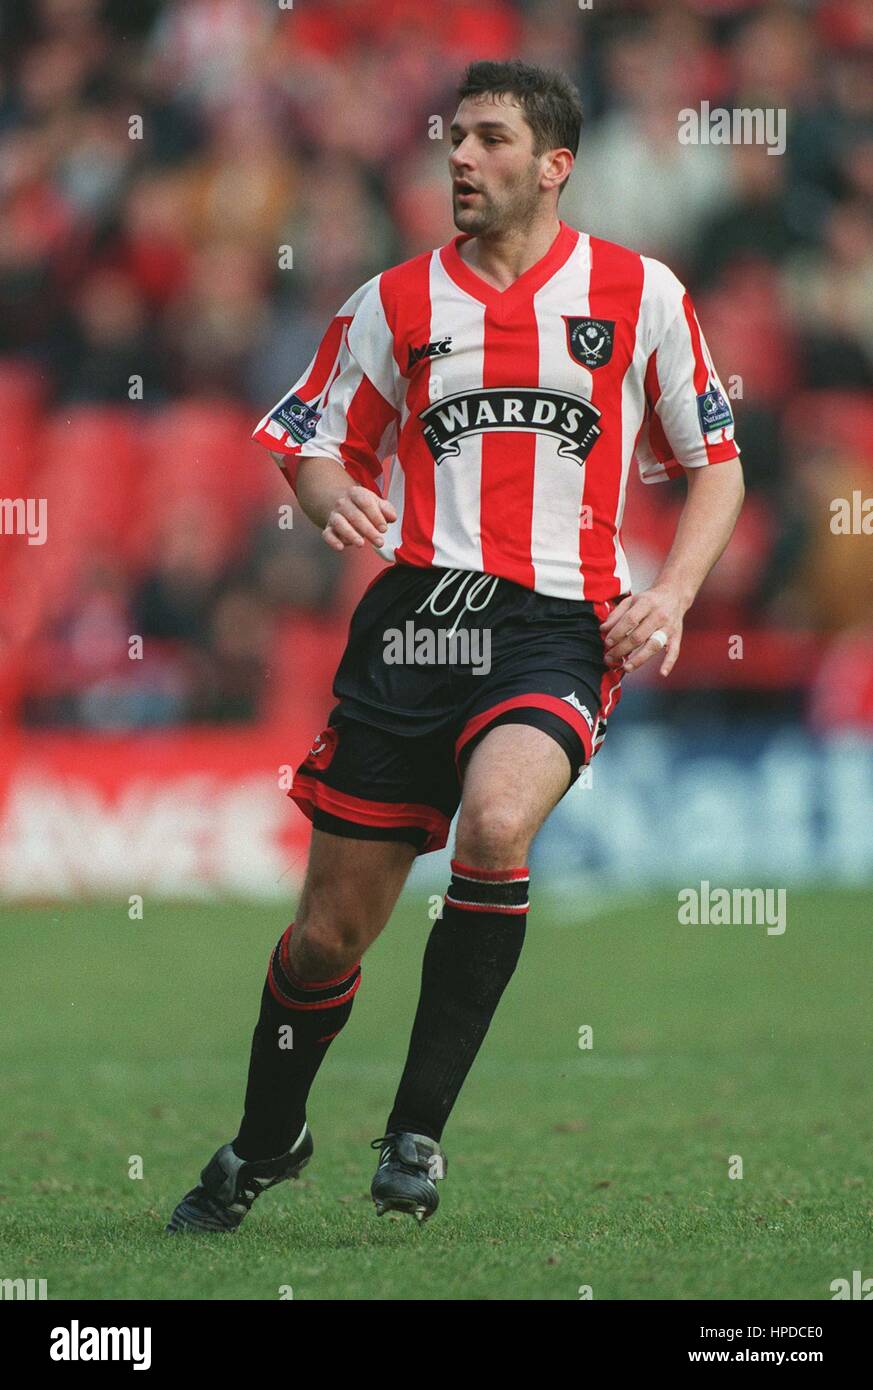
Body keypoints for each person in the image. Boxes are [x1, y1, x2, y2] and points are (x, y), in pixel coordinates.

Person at [167, 59, 744, 1233]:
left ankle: (416, 1133)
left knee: (494, 825)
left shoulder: (640, 293)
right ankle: (268, 1139)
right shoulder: (396, 302)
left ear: (555, 164)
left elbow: (718, 466)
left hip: (556, 629)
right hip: (416, 628)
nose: (461, 160)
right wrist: (327, 495)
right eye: (454, 139)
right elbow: (308, 434)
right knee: (326, 936)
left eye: (488, 140)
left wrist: (673, 593)